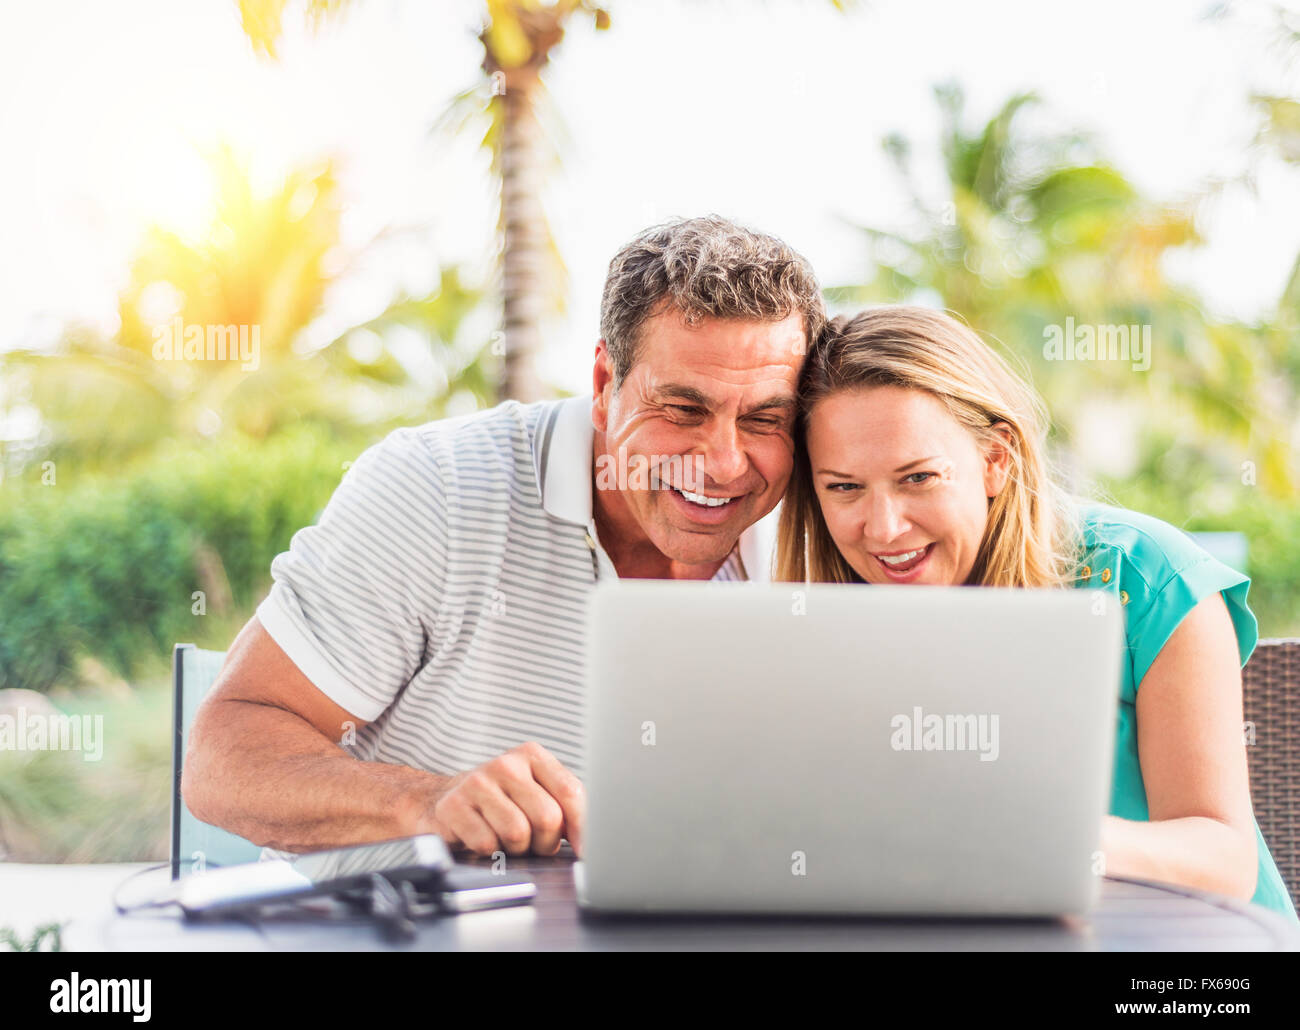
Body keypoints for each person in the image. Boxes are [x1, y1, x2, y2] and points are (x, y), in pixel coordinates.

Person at [182, 216, 824, 860]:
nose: (722, 463)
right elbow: (221, 761)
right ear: (605, 387)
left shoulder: (807, 545)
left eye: (764, 418)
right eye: (684, 411)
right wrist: (427, 802)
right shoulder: (436, 488)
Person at [774, 305, 1298, 920]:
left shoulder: (1145, 575)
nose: (884, 528)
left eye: (918, 478)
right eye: (843, 487)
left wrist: (1032, 842)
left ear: (996, 459)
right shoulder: (823, 618)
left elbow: (1222, 858)